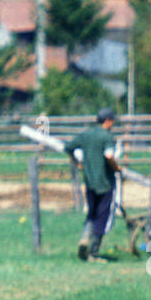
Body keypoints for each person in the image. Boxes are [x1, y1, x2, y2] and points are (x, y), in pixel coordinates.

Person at [63, 107, 120, 261]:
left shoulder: (86, 134)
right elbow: (109, 156)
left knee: (91, 213)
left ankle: (84, 238)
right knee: (102, 215)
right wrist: (117, 169)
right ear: (108, 121)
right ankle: (93, 252)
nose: (113, 124)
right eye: (112, 121)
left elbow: (68, 148)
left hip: (89, 182)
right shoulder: (106, 136)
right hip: (105, 182)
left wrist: (77, 162)